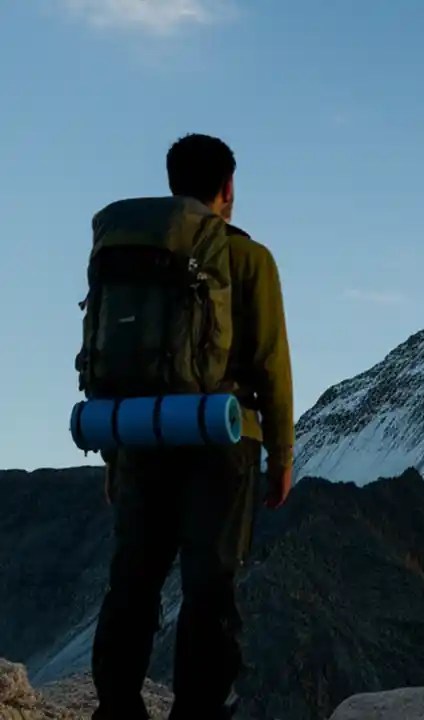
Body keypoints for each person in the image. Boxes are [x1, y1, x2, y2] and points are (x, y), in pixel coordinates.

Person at [89, 133, 295, 720]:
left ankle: (117, 708)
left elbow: (119, 360)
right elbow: (271, 362)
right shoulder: (246, 257)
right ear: (228, 188)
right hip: (220, 440)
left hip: (141, 437)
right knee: (210, 585)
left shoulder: (137, 256)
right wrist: (281, 455)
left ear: (173, 182)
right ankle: (199, 712)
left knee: (133, 578)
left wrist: (114, 455)